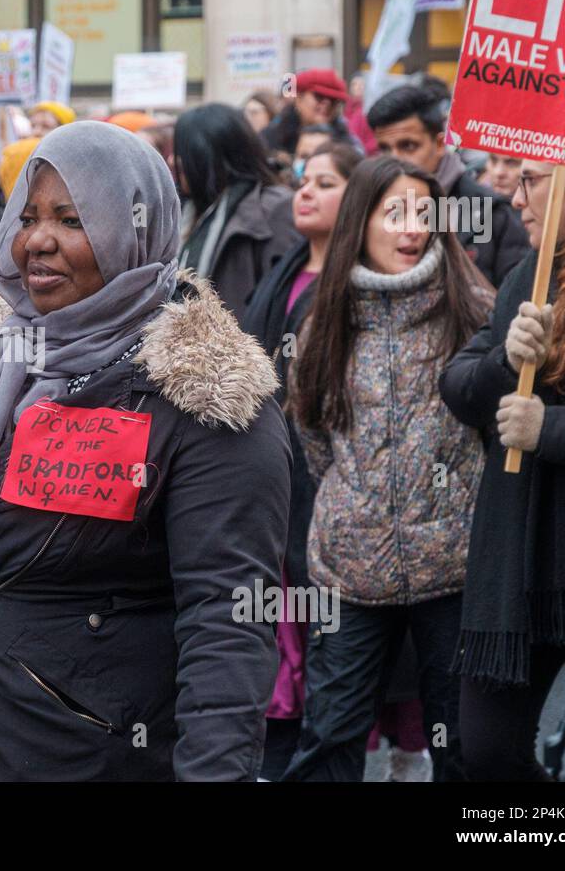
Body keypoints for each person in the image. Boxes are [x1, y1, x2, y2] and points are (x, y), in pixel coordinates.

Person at [0, 120, 291, 780]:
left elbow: (227, 625)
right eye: (29, 215)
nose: (36, 240)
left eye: (72, 220)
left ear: (134, 231)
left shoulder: (204, 398)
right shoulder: (4, 357)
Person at [282, 156, 493, 782]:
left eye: (426, 214)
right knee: (329, 737)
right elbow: (313, 437)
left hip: (456, 567)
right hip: (351, 569)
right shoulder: (323, 321)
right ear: (362, 220)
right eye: (395, 212)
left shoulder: (476, 309)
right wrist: (360, 501)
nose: (412, 229)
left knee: (464, 746)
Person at [441, 164, 565, 781]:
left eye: (532, 180)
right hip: (518, 557)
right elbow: (458, 385)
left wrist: (549, 430)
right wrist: (507, 360)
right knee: (486, 746)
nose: (513, 196)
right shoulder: (529, 275)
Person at [241, 142, 360, 779]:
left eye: (326, 182)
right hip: (272, 475)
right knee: (277, 617)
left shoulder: (353, 282)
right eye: (302, 180)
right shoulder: (283, 271)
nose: (305, 192)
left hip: (326, 482)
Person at [367, 84, 529, 288]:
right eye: (385, 149)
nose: (395, 159)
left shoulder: (492, 212)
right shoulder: (368, 205)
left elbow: (509, 302)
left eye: (408, 146)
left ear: (439, 144)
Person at [174, 103, 302, 317]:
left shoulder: (275, 208)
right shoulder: (186, 211)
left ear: (206, 158)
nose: (174, 161)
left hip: (246, 345)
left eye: (183, 154)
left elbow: (287, 300)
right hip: (193, 345)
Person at [260, 68, 361, 157]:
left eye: (333, 100)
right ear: (298, 98)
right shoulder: (272, 137)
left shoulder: (347, 142)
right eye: (319, 96)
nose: (326, 104)